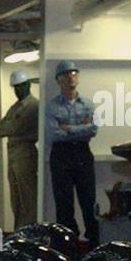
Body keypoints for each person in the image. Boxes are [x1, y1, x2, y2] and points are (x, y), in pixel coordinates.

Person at [46, 59, 100, 246]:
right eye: (66, 74)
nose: (71, 77)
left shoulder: (88, 104)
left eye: (74, 73)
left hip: (83, 153)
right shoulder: (52, 106)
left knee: (88, 201)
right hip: (61, 156)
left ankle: (94, 241)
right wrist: (80, 128)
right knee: (64, 204)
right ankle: (68, 243)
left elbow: (92, 130)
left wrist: (68, 128)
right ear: (58, 80)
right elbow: (54, 134)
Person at [0, 70, 39, 227]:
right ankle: (19, 230)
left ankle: (29, 231)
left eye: (20, 86)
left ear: (28, 85)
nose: (17, 90)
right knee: (16, 200)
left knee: (27, 197)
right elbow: (2, 129)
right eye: (15, 87)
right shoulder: (16, 107)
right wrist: (9, 126)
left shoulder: (33, 105)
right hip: (14, 155)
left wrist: (10, 126)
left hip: (25, 154)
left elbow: (12, 127)